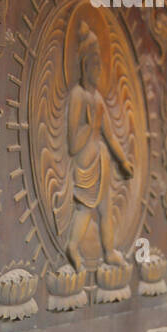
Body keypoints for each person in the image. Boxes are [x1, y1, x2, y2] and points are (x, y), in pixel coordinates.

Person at [63, 21, 134, 270]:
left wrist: (122, 160)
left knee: (105, 209)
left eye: (99, 63)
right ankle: (72, 246)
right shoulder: (78, 96)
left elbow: (110, 135)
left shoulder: (98, 99)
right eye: (94, 64)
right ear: (84, 66)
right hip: (86, 163)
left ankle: (110, 251)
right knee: (84, 209)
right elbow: (72, 143)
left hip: (102, 161)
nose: (99, 69)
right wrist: (90, 128)